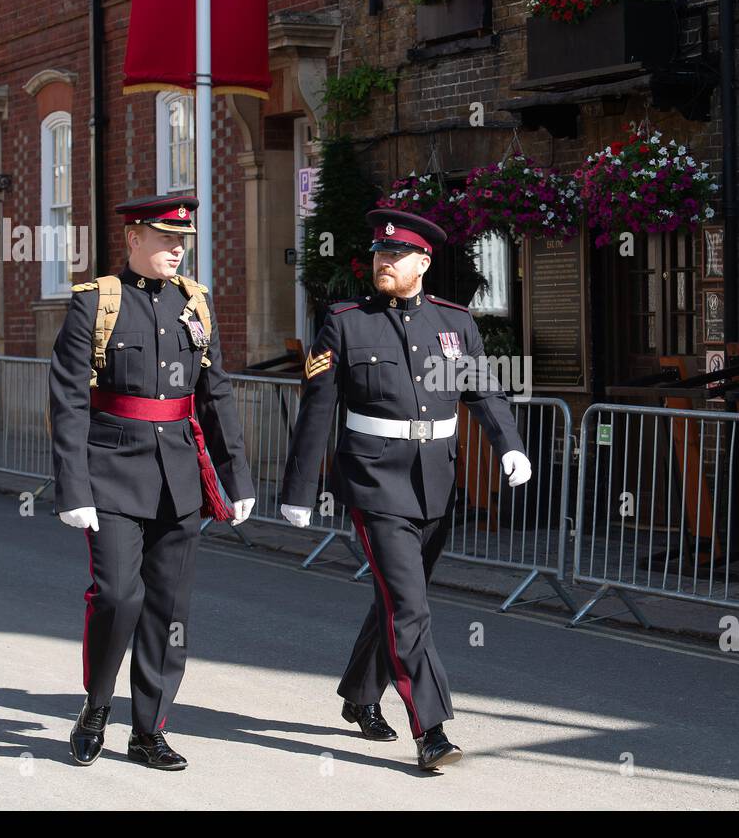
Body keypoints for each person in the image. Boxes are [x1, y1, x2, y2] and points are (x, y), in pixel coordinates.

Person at [279, 208, 532, 771]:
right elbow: (317, 410)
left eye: (395, 255)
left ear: (423, 261)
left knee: (396, 600)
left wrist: (509, 444)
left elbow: (483, 391)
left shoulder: (455, 323)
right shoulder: (345, 323)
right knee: (411, 606)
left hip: (435, 478)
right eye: (378, 254)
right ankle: (432, 729)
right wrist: (299, 489)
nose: (383, 262)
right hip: (374, 480)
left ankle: (359, 692)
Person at [49, 194, 255, 770]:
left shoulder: (196, 305)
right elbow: (67, 399)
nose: (177, 249)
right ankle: (96, 705)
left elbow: (215, 394)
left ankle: (149, 729)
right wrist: (73, 487)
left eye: (182, 240)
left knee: (169, 609)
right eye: (166, 239)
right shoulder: (97, 304)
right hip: (111, 471)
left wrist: (237, 475)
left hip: (179, 476)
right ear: (133, 238)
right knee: (117, 595)